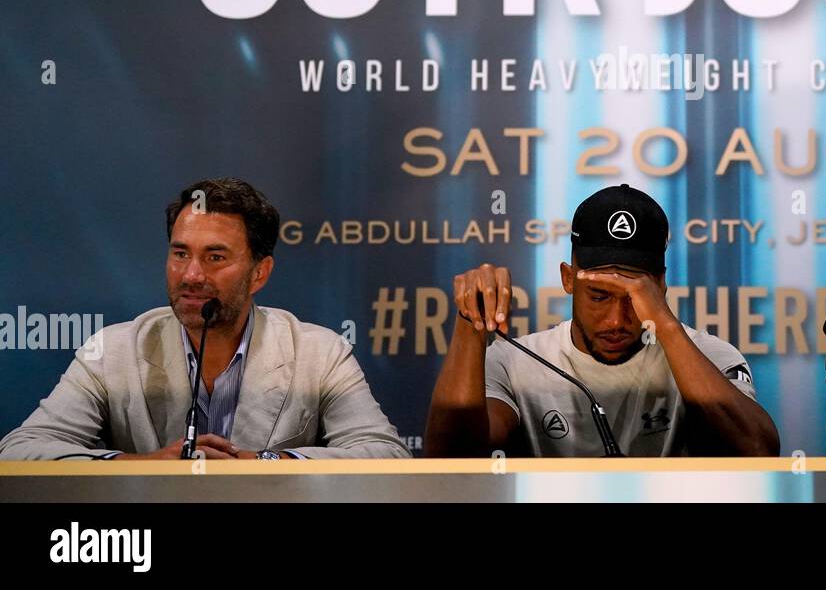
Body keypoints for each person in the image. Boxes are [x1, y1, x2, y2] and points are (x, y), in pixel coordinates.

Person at [0, 178, 409, 460]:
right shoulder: (113, 350)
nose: (192, 275)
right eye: (181, 254)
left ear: (260, 273)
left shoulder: (319, 353)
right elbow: (22, 450)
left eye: (215, 257)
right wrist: (145, 464)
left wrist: (261, 461)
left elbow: (384, 453)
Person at [425, 184, 780, 457]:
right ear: (567, 278)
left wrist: (666, 326)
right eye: (599, 296)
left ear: (661, 285)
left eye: (635, 299)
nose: (615, 321)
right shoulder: (515, 361)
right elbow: (451, 459)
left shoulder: (711, 357)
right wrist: (469, 325)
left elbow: (758, 451)